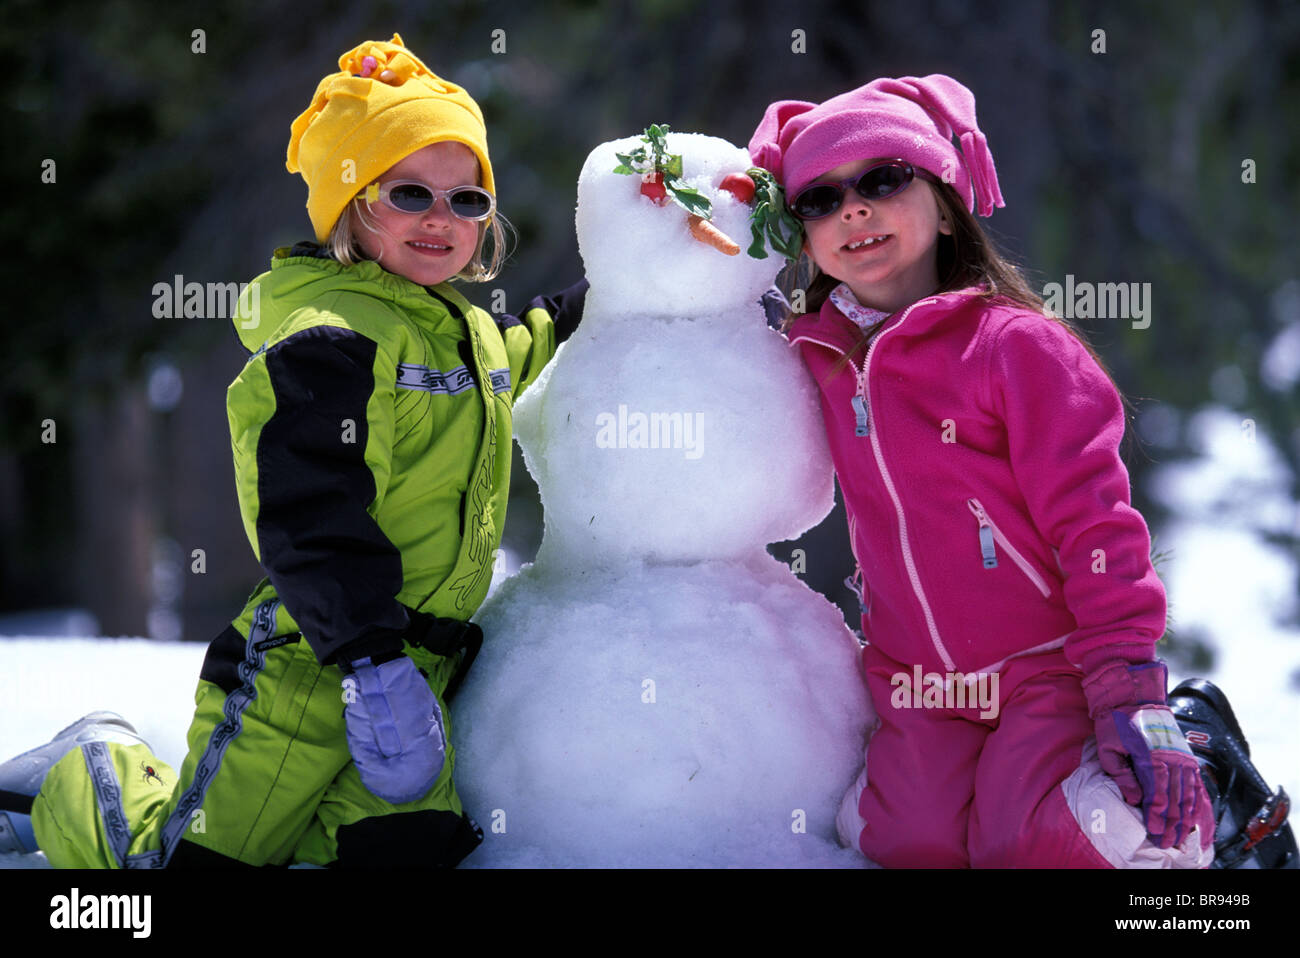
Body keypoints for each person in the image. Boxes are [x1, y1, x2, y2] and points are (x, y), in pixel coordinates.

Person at [0, 34, 584, 868]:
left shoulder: (469, 336)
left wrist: (610, 287)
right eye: (409, 191)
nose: (440, 219)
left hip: (417, 675)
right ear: (349, 207)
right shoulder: (330, 342)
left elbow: (525, 343)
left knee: (403, 850)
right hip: (313, 668)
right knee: (192, 865)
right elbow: (310, 512)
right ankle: (84, 771)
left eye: (467, 201)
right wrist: (370, 661)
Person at [747, 74, 1216, 868]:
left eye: (882, 179)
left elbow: (1096, 525)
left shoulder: (1014, 346)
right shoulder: (819, 354)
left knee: (1034, 844)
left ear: (943, 195)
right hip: (921, 684)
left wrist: (1127, 685)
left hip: (1049, 670)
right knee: (903, 843)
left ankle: (1191, 821)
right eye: (819, 201)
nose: (852, 209)